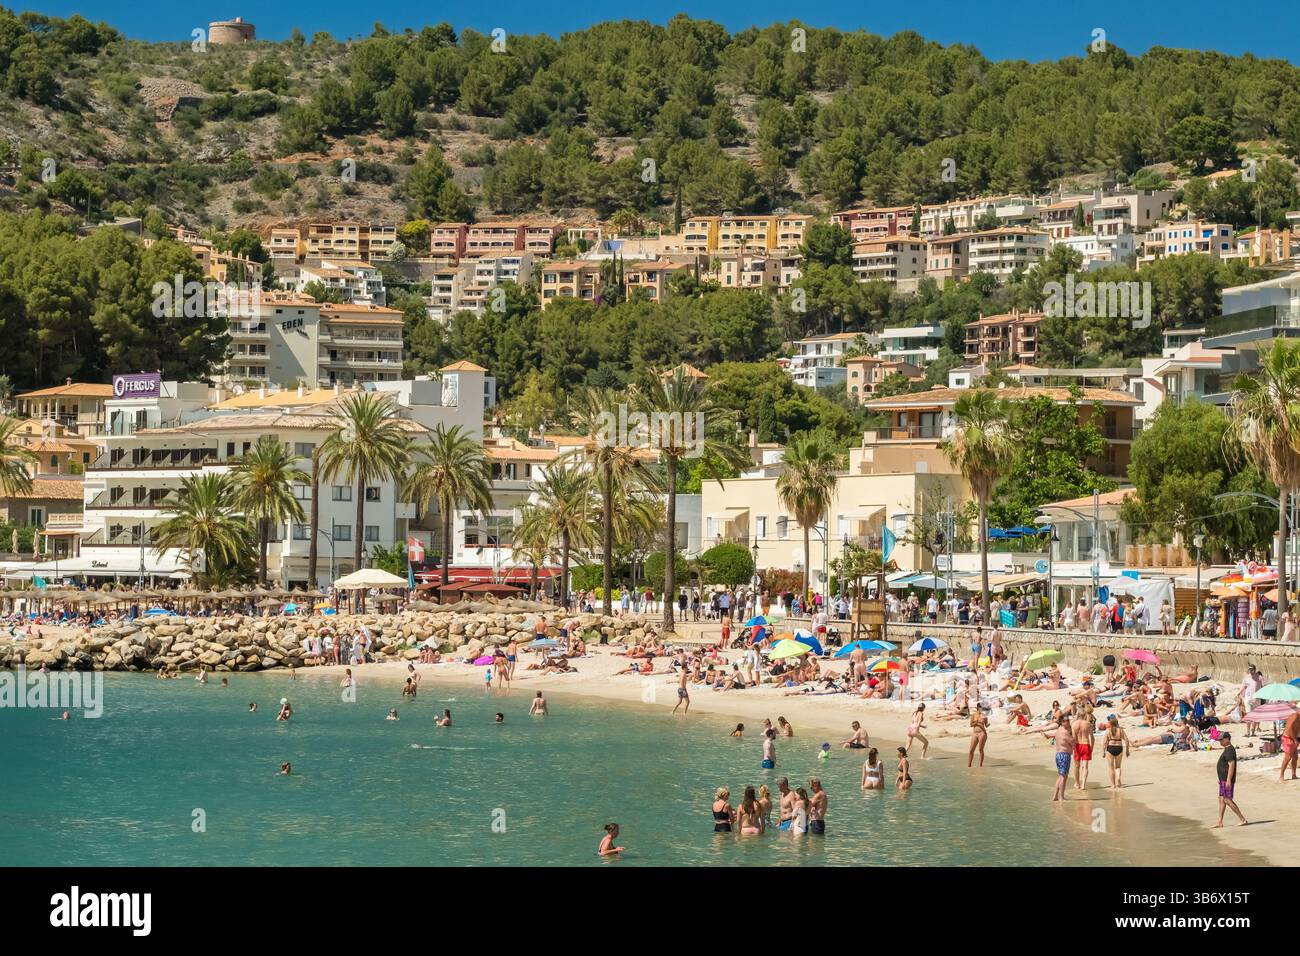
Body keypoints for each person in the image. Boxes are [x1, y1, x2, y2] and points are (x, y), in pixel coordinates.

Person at [1214, 733, 1246, 828]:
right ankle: (1220, 822)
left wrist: (1228, 780)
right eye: (1219, 740)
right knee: (1221, 799)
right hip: (1223, 779)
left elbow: (1232, 765)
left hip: (1226, 779)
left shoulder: (1230, 750)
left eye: (1221, 740)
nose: (1220, 741)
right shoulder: (1227, 749)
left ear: (1227, 739)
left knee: (1227, 799)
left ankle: (1242, 819)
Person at [1048, 715, 1075, 802]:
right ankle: (1061, 797)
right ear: (1062, 722)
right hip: (1064, 755)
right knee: (1063, 777)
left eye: (1068, 720)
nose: (1068, 722)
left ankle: (1055, 796)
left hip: (1059, 755)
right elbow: (1073, 743)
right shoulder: (1065, 732)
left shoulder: (1059, 730)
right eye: (1066, 720)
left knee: (1061, 776)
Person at [1101, 715, 1130, 789]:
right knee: (1118, 766)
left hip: (1110, 748)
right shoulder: (1121, 730)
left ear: (1110, 724)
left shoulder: (1108, 731)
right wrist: (1127, 750)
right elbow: (1126, 741)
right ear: (1117, 723)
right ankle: (1118, 778)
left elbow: (1104, 742)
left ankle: (1113, 785)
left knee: (1111, 768)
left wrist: (1103, 752)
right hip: (1119, 748)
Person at [1071, 707, 1094, 791]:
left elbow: (1073, 738)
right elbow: (1092, 737)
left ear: (1078, 714)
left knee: (1076, 766)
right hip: (1086, 744)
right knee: (1085, 767)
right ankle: (1083, 785)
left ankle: (1077, 783)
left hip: (1077, 745)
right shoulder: (1088, 724)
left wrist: (1072, 747)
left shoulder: (1074, 724)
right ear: (1084, 715)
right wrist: (1092, 747)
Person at [1280, 708, 1300, 781]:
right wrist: (1295, 740)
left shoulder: (1298, 716)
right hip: (1288, 737)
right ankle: (1281, 775)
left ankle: (1294, 774)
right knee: (1288, 757)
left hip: (1293, 737)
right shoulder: (1295, 716)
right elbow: (1289, 729)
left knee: (1295, 757)